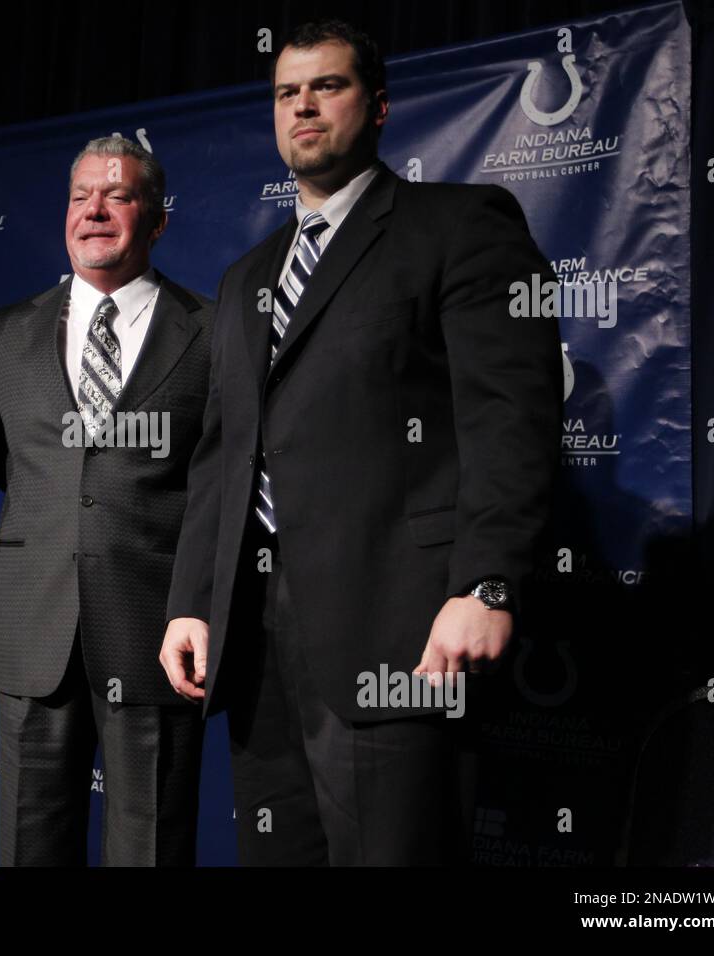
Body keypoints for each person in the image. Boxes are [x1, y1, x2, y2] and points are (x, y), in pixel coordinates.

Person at [161, 20, 562, 865]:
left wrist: (488, 581)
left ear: (378, 107)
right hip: (254, 646)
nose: (302, 105)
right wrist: (193, 601)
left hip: (399, 625)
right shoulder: (246, 278)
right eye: (285, 93)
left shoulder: (459, 225)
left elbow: (510, 418)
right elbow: (223, 455)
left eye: (327, 86)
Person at [0, 136, 213, 865]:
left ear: (157, 218)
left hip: (155, 630)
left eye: (117, 195)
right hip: (33, 625)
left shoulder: (213, 331)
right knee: (29, 844)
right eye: (81, 196)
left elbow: (224, 478)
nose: (95, 210)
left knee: (149, 847)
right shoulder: (2, 333)